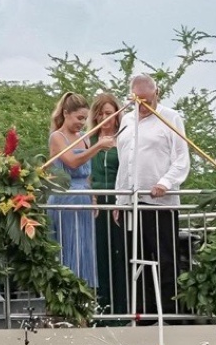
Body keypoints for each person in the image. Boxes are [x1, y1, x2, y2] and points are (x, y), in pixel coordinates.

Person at [115, 74, 190, 323]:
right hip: (131, 201)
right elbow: (124, 162)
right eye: (137, 100)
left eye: (146, 100)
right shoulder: (127, 120)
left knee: (164, 258)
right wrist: (119, 200)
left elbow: (181, 158)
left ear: (156, 93)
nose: (142, 105)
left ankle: (170, 313)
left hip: (159, 202)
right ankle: (143, 315)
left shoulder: (171, 118)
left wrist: (165, 183)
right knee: (136, 258)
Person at [47, 92, 115, 288]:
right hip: (65, 198)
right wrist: (98, 146)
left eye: (85, 119)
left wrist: (93, 198)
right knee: (68, 247)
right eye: (79, 118)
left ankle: (83, 295)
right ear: (66, 113)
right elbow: (73, 162)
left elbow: (87, 174)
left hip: (83, 198)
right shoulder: (57, 137)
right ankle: (64, 294)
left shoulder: (83, 138)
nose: (82, 123)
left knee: (84, 247)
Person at [90, 93, 129, 320]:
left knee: (120, 253)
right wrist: (92, 196)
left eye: (108, 113)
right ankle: (101, 307)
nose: (104, 118)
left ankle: (122, 309)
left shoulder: (124, 139)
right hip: (96, 202)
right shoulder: (89, 140)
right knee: (99, 254)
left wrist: (120, 200)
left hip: (117, 201)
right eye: (100, 113)